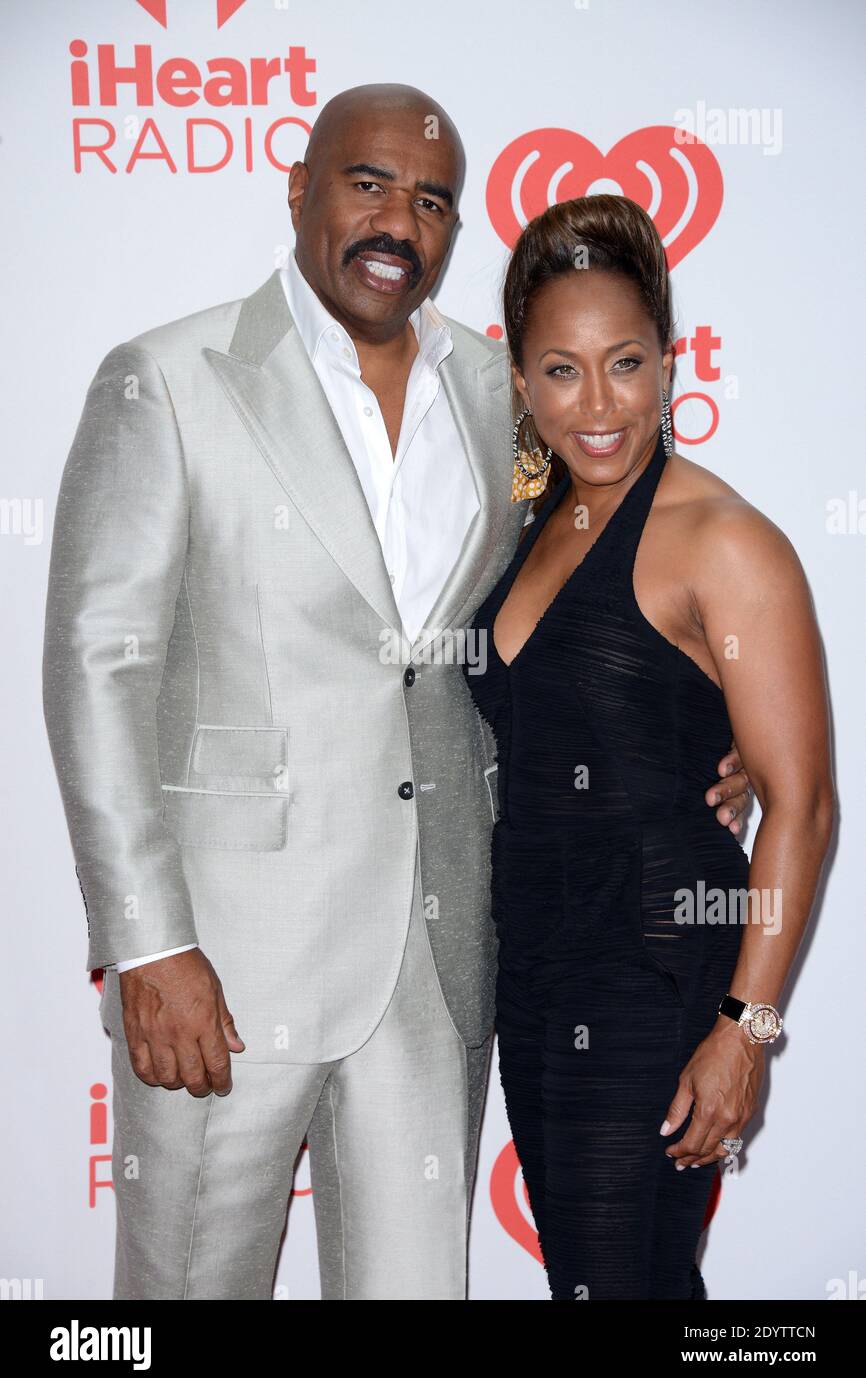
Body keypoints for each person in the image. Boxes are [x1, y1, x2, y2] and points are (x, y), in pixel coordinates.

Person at [42, 89, 751, 1301]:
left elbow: (601, 560)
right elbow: (96, 668)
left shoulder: (501, 392)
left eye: (430, 200)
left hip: (437, 960)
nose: (398, 221)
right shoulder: (166, 379)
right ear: (298, 186)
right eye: (367, 182)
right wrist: (148, 937)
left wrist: (709, 722)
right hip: (222, 964)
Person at [464, 193, 835, 1300]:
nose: (598, 404)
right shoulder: (531, 519)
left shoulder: (723, 541)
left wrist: (742, 1031)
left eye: (624, 362)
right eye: (562, 370)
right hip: (530, 972)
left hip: (655, 969)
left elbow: (801, 808)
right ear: (520, 381)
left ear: (669, 366)